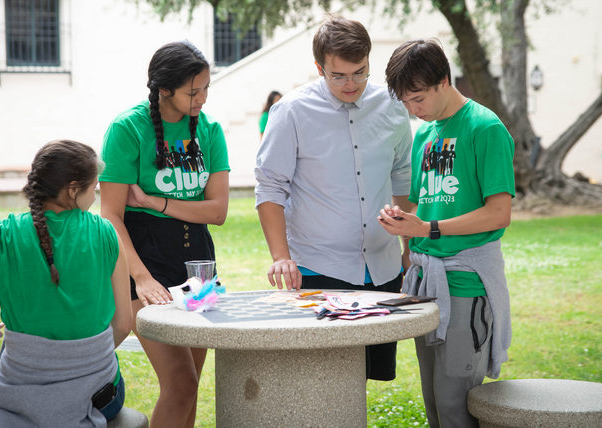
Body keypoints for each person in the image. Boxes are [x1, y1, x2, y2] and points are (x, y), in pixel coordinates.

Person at [0, 139, 132, 427]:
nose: (94, 197)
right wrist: (76, 364)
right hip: (101, 395)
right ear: (73, 189)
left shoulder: (0, 237)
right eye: (93, 188)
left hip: (22, 393)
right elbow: (123, 325)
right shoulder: (107, 234)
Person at [254, 15, 412, 382]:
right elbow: (270, 188)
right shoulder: (291, 112)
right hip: (318, 269)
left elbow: (402, 176)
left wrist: (409, 248)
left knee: (367, 377)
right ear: (319, 67)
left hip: (383, 269)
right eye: (338, 76)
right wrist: (281, 257)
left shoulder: (392, 106)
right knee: (323, 380)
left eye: (360, 73)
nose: (351, 84)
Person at [378, 39, 514, 427]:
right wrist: (402, 221)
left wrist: (428, 227)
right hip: (425, 284)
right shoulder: (425, 135)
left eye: (418, 98)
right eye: (405, 101)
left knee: (456, 407)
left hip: (466, 284)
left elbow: (499, 213)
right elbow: (424, 206)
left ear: (442, 81)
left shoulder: (485, 128)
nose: (413, 110)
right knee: (435, 403)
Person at [99, 40, 230, 427]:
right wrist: (140, 278)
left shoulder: (210, 129)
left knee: (191, 385)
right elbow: (110, 216)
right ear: (164, 89)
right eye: (193, 91)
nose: (202, 98)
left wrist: (155, 202)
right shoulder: (127, 128)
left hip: (199, 265)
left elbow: (217, 212)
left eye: (206, 88)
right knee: (180, 383)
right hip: (144, 262)